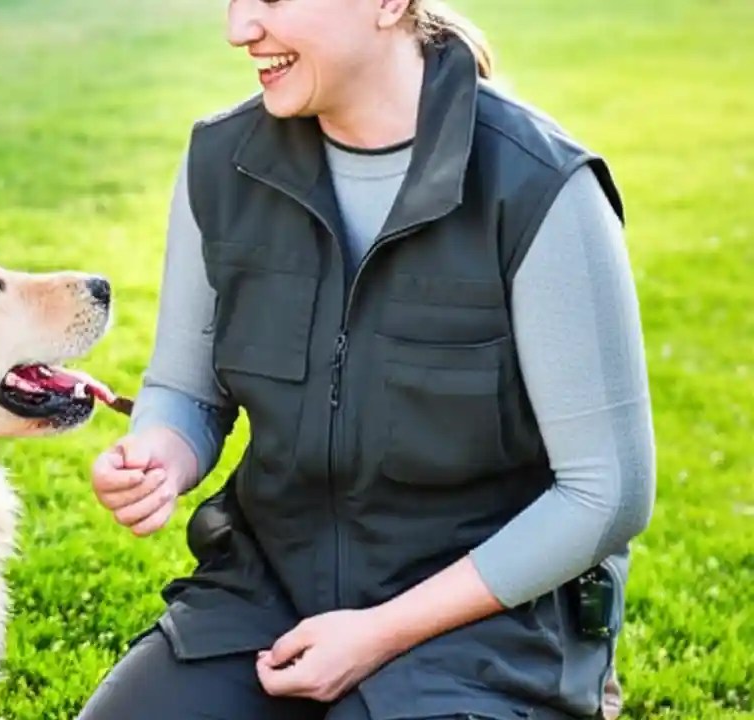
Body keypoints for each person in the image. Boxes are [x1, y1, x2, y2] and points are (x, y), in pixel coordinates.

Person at [78, 1, 655, 719]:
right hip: (267, 598)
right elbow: (185, 390)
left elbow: (609, 491)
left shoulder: (539, 187)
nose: (239, 28)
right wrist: (161, 451)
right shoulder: (220, 165)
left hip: (488, 633)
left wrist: (378, 634)